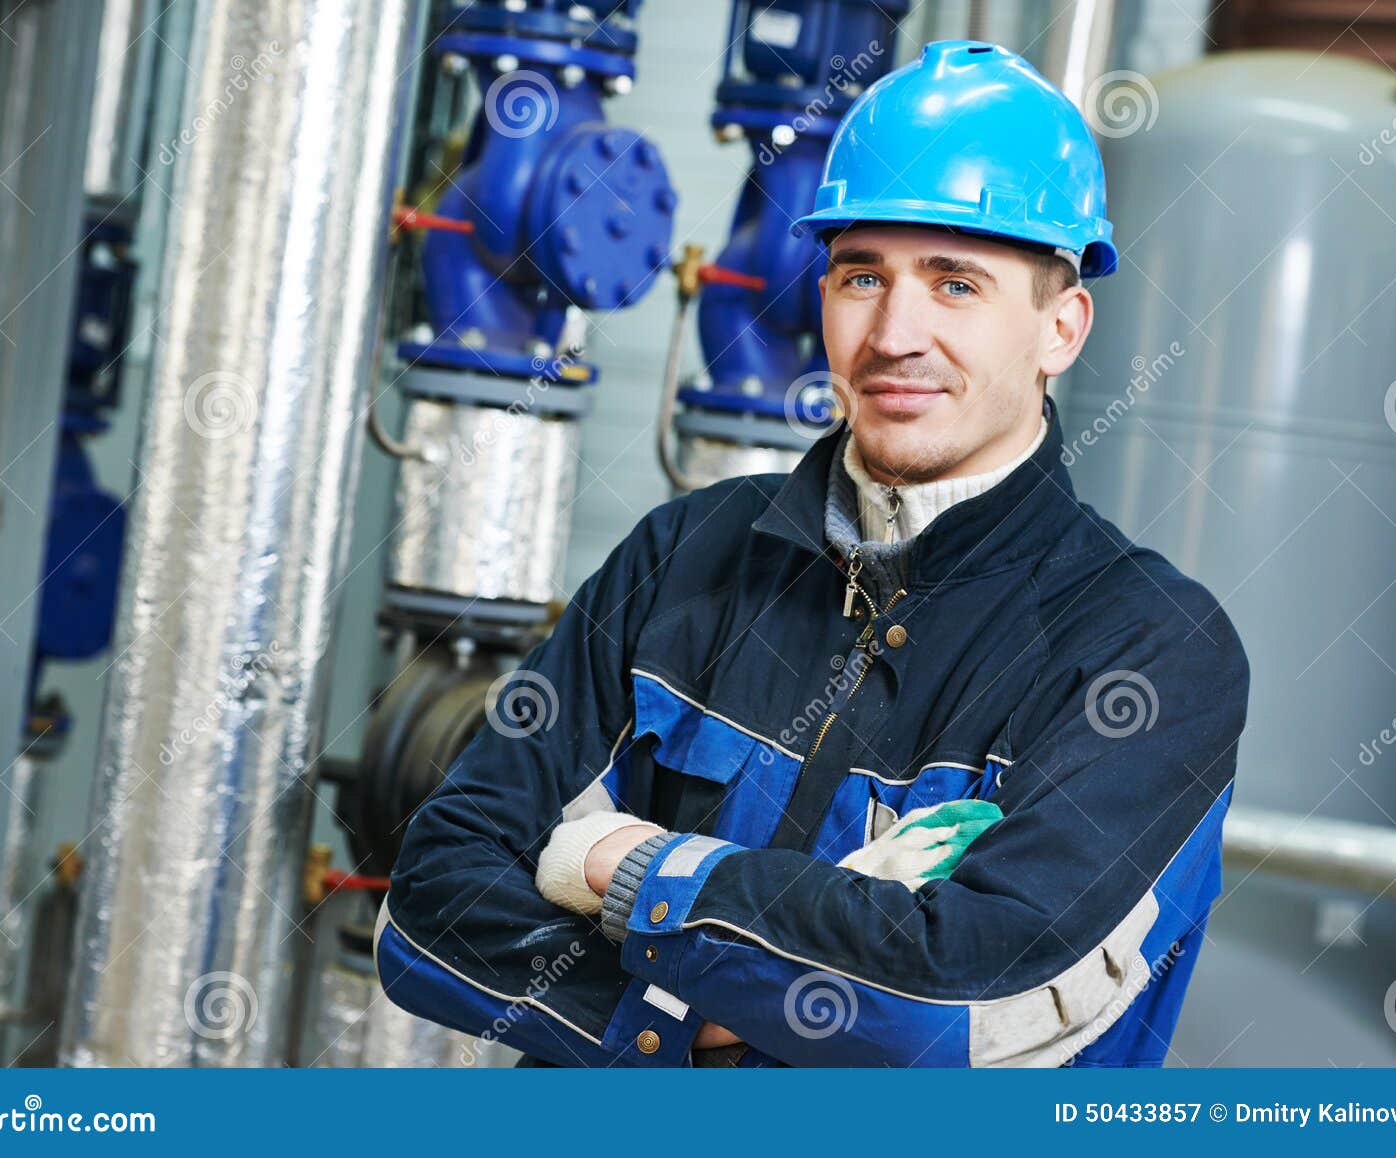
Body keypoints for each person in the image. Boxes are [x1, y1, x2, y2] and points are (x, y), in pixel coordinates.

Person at [375, 39, 1250, 1067]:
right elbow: (430, 913)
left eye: (956, 284)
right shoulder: (687, 553)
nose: (893, 334)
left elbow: (955, 1006)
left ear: (1060, 328)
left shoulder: (1147, 650)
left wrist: (623, 864)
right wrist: (687, 1023)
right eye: (859, 276)